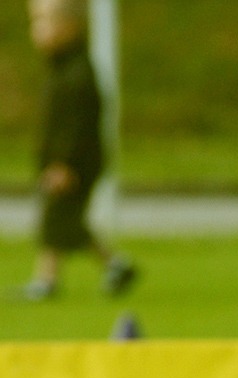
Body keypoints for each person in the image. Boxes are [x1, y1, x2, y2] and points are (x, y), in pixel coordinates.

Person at [21, 0, 137, 301]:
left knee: (59, 220)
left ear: (69, 27)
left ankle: (51, 278)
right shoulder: (60, 68)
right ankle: (108, 265)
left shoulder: (77, 73)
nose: (37, 31)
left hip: (74, 164)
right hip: (65, 162)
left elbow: (76, 125)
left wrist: (63, 163)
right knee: (62, 219)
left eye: (44, 22)